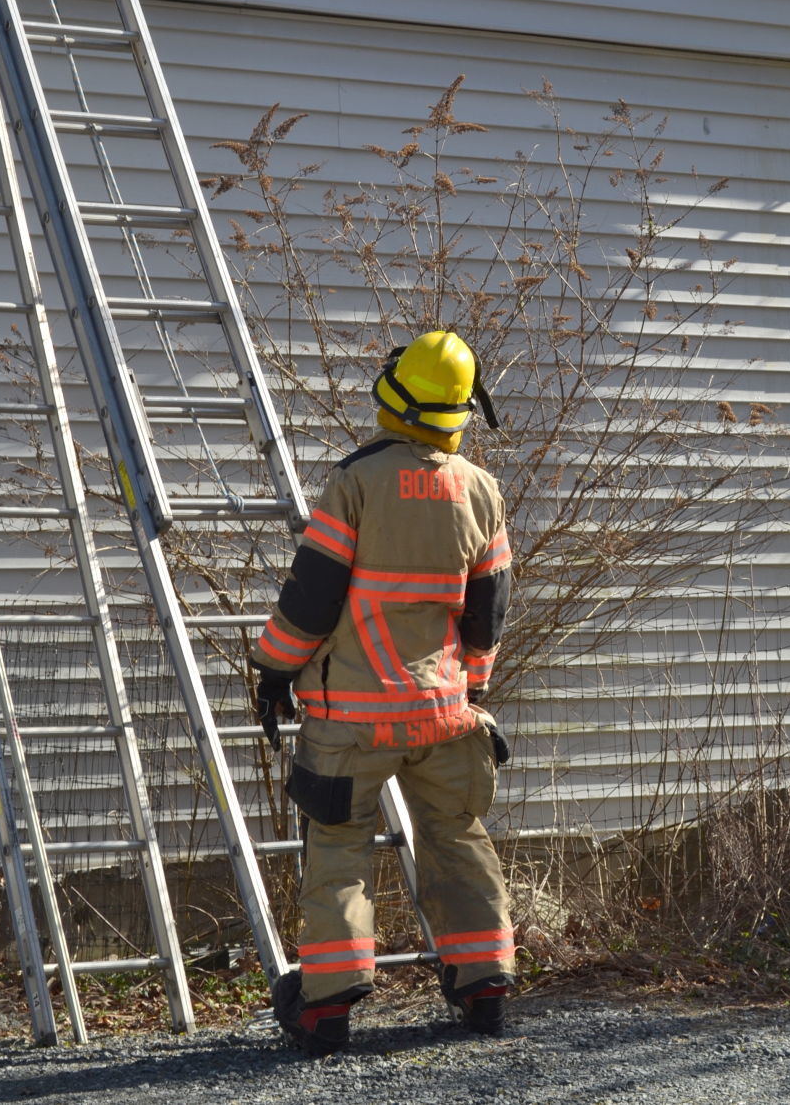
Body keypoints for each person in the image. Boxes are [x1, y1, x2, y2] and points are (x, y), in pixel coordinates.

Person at [251, 330, 515, 1056]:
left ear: (392, 394)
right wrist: (473, 687)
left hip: (352, 722)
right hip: (443, 714)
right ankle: (485, 986)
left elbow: (310, 602)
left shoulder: (356, 483)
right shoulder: (481, 491)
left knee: (337, 848)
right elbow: (486, 611)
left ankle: (326, 1008)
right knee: (458, 839)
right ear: (463, 408)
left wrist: (273, 672)